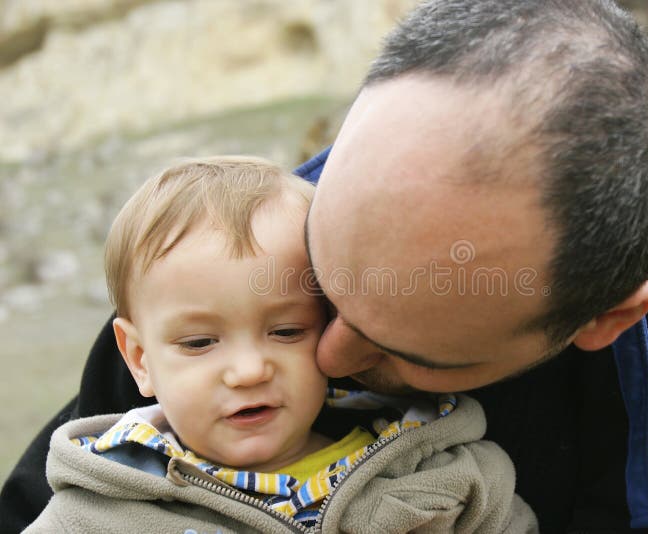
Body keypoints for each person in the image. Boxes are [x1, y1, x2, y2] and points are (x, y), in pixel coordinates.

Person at [3, 0, 648, 532]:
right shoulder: (215, 278)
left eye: (411, 354)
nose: (326, 355)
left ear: (603, 320)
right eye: (321, 291)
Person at [21, 156, 536, 533]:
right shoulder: (98, 513)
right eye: (200, 342)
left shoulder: (434, 469)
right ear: (139, 358)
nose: (248, 371)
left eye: (286, 331)